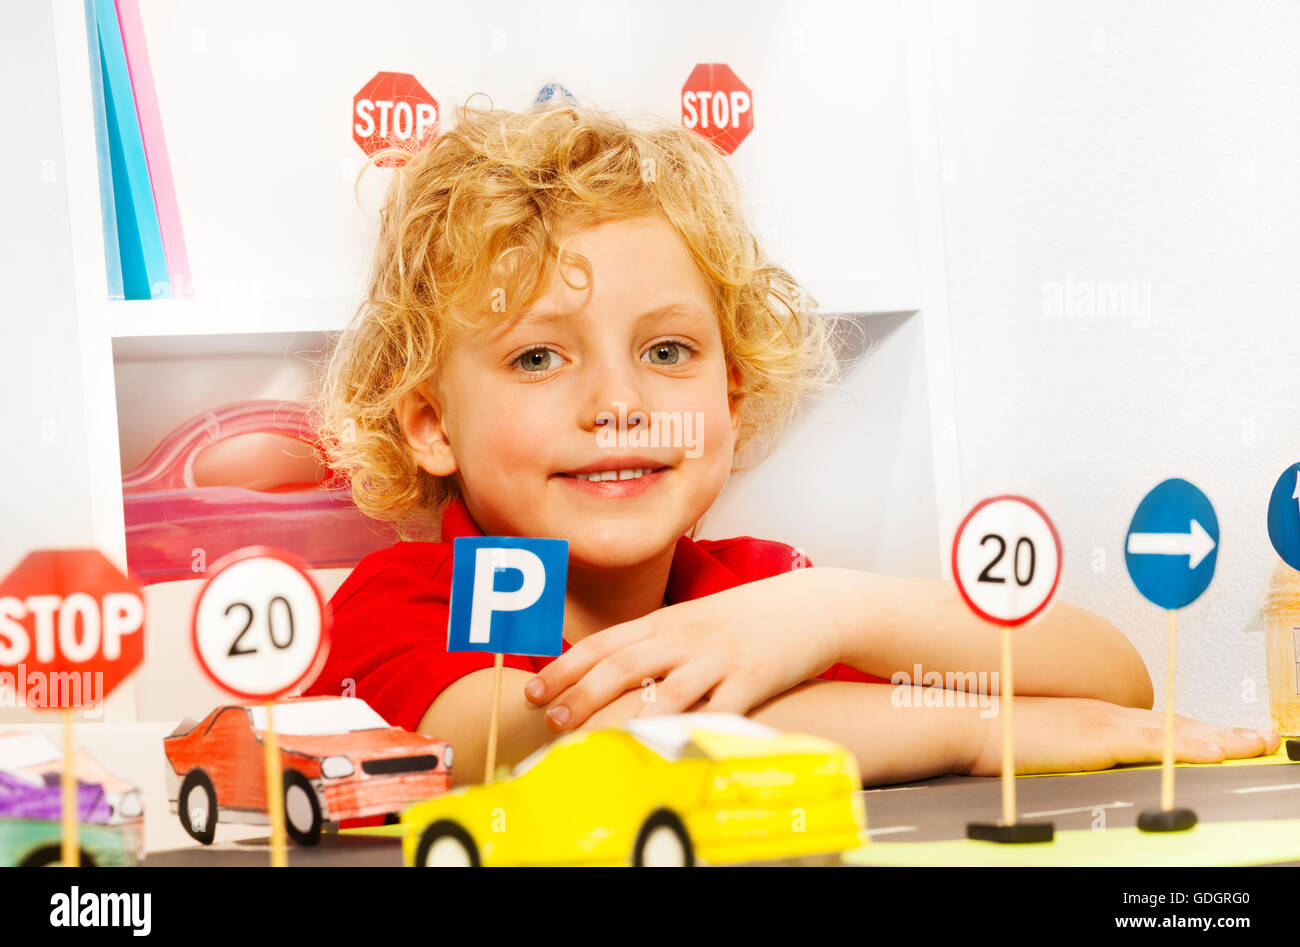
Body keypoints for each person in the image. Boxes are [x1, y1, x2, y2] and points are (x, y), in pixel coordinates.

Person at [307, 97, 1277, 786]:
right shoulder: (410, 605)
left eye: (669, 349)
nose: (618, 401)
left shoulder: (760, 591)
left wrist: (833, 609)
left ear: (728, 393)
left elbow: (1112, 673)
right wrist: (979, 729)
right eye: (535, 359)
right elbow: (557, 735)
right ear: (431, 423)